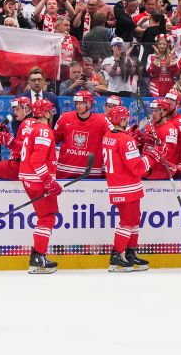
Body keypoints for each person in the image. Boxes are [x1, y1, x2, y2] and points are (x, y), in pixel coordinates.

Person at [102, 104, 159, 272]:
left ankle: (130, 253)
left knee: (134, 221)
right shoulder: (126, 140)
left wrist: (130, 138)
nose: (128, 120)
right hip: (126, 186)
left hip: (123, 185)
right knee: (127, 222)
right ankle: (117, 255)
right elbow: (138, 167)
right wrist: (152, 157)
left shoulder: (109, 135)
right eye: (126, 117)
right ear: (121, 119)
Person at [19, 99, 62, 274]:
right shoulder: (44, 131)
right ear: (44, 113)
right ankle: (38, 258)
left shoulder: (32, 128)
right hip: (37, 179)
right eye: (50, 112)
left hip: (29, 178)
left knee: (45, 217)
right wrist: (48, 180)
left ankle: (38, 256)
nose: (52, 115)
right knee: (47, 218)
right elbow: (37, 160)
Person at [53, 90, 107, 178]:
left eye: (81, 103)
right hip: (65, 173)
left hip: (91, 176)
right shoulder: (65, 118)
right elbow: (53, 138)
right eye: (76, 103)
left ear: (89, 104)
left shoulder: (102, 121)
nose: (78, 106)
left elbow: (113, 139)